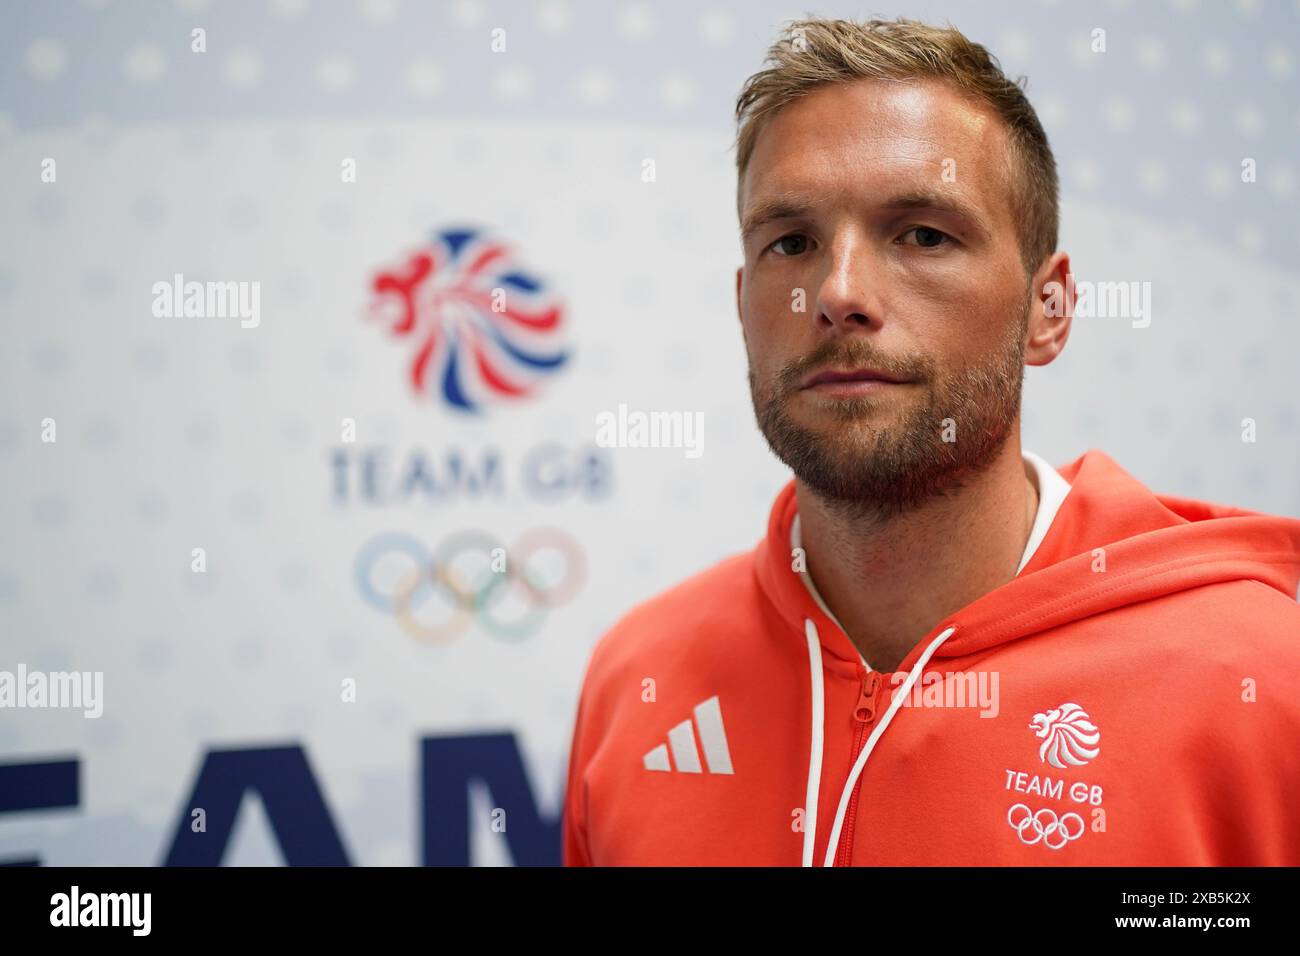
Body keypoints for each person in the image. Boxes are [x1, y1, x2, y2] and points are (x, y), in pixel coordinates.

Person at [562, 16, 1300, 866]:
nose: (837, 293)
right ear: (741, 306)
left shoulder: (1254, 683)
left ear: (1047, 308)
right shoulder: (639, 679)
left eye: (922, 234)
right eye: (791, 243)